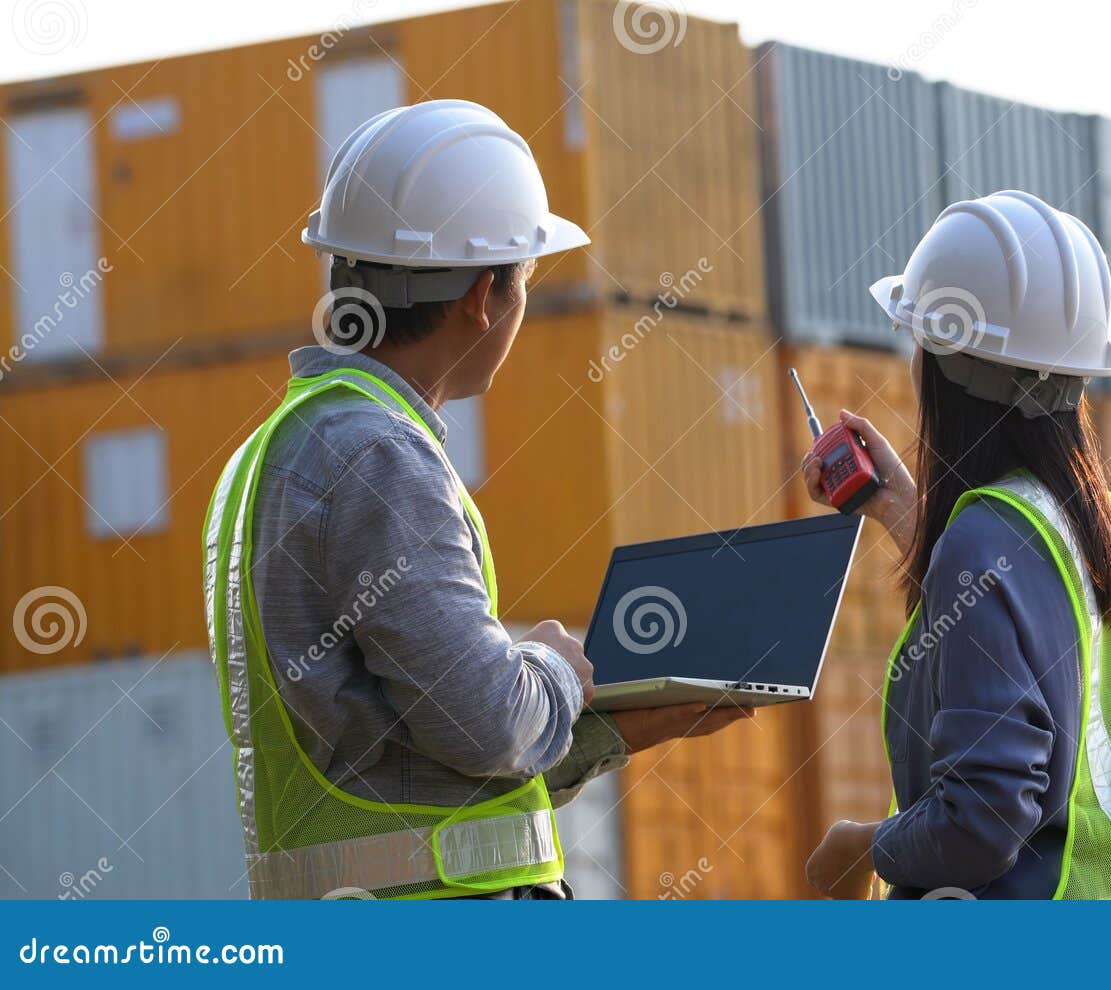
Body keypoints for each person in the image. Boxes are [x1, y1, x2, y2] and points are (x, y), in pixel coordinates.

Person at [203, 100, 749, 900]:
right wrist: (554, 669)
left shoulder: (283, 449)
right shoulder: (378, 454)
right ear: (485, 294)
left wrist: (607, 729)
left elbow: (398, 753)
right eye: (527, 277)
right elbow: (485, 723)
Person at [800, 190, 1111, 899]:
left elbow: (981, 819)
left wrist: (863, 848)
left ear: (945, 367)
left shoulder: (983, 545)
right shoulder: (1108, 528)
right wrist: (903, 513)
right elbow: (1032, 620)